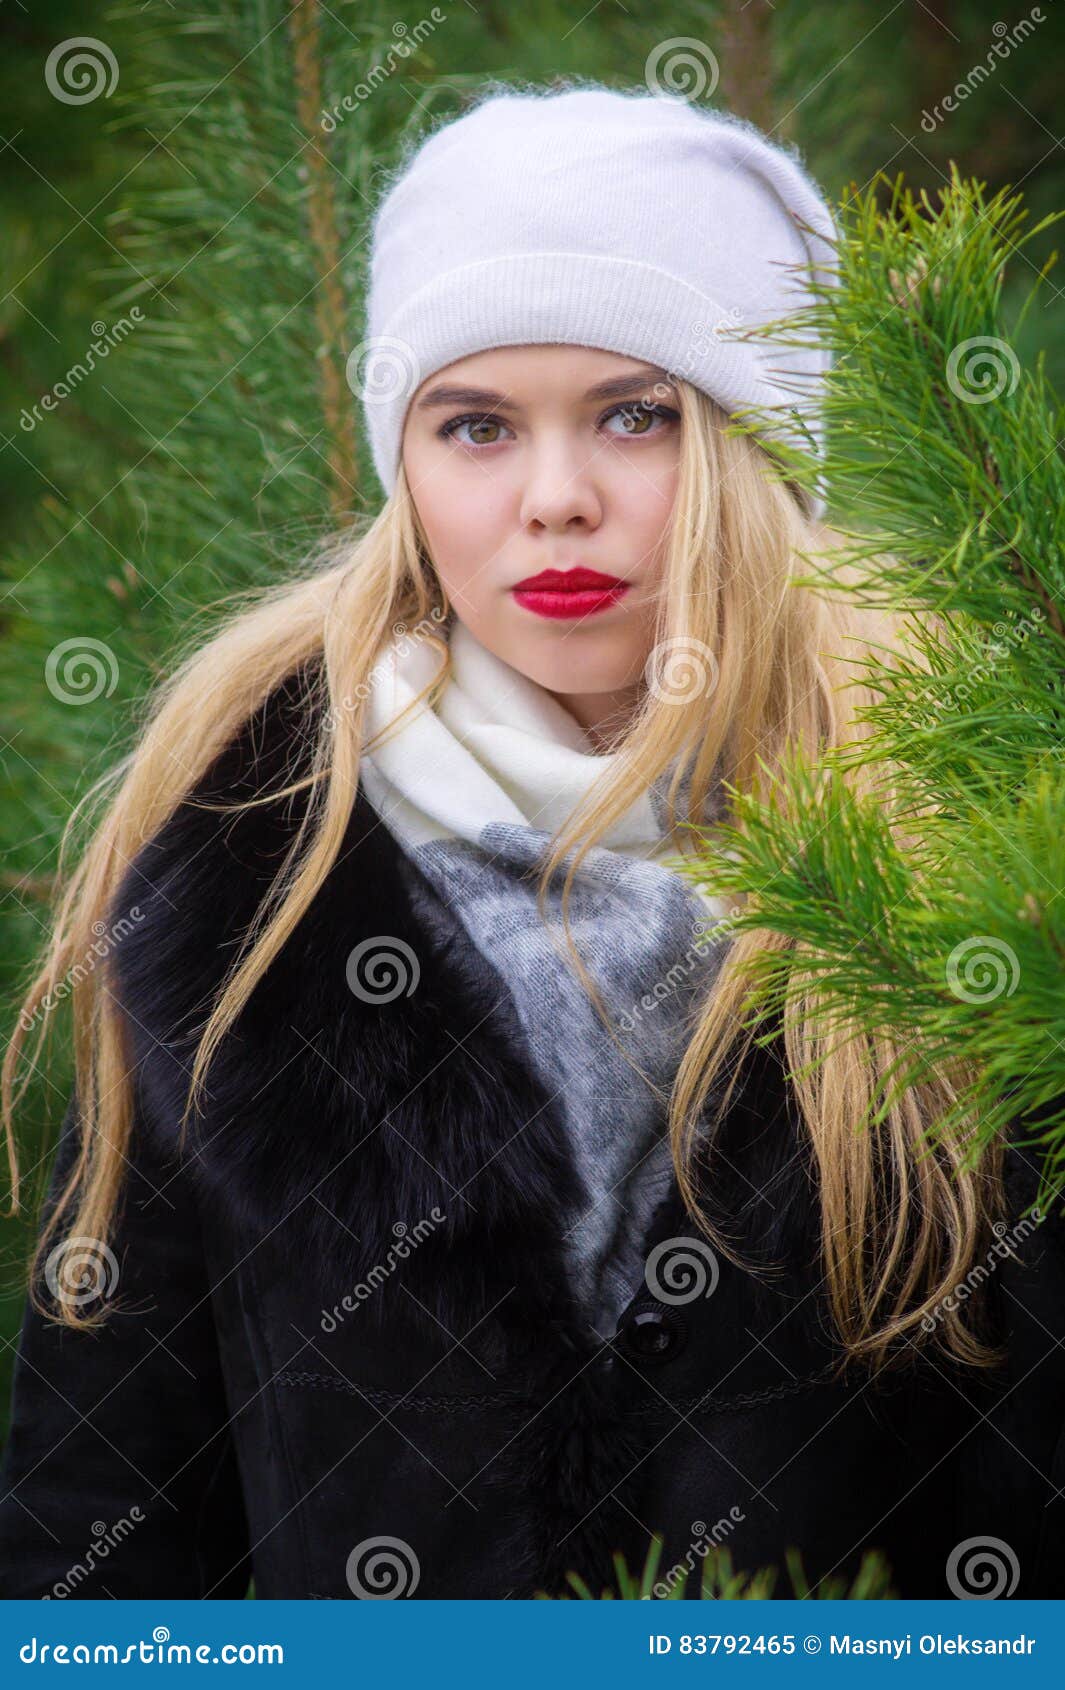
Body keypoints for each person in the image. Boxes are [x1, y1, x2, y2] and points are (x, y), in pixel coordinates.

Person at [1, 80, 1062, 1603]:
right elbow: (90, 1545)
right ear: (404, 462)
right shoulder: (241, 883)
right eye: (475, 424)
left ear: (765, 451)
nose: (554, 500)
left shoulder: (968, 881)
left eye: (636, 414)